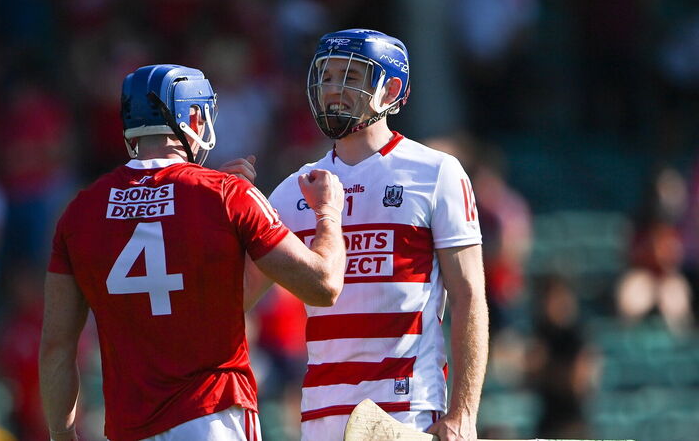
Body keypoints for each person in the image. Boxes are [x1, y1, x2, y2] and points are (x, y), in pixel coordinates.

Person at [38, 64, 346, 441]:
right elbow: (324, 285)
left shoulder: (80, 211)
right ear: (195, 117)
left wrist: (61, 434)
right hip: (213, 416)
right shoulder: (226, 195)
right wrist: (328, 213)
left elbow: (56, 346)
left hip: (128, 427)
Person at [245, 29, 490, 441]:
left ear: (391, 88)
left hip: (406, 409)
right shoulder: (291, 191)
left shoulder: (436, 173)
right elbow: (238, 297)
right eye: (327, 75)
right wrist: (227, 204)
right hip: (319, 411)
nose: (333, 90)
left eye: (351, 76)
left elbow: (469, 295)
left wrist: (463, 412)